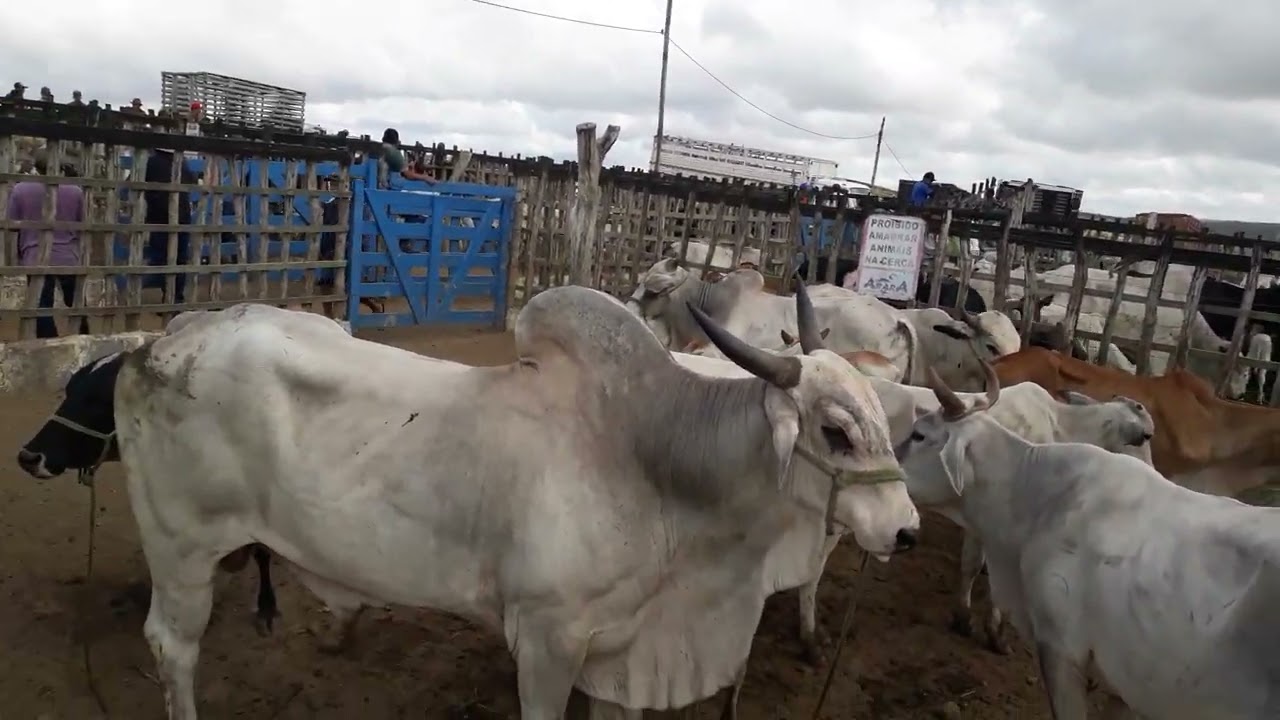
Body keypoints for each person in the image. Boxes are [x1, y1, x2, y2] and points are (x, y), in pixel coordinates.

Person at [7, 149, 90, 338]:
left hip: (34, 255)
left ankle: (50, 344)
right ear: (61, 166)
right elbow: (83, 225)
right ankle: (83, 340)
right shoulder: (75, 191)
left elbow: (12, 224)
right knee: (76, 303)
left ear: (36, 166)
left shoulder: (21, 189)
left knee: (42, 305)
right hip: (68, 257)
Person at [143, 148, 196, 306]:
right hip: (181, 217)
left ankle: (167, 294)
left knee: (161, 258)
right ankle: (175, 296)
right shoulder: (181, 162)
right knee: (179, 258)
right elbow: (192, 180)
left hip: (160, 217)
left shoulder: (152, 162)